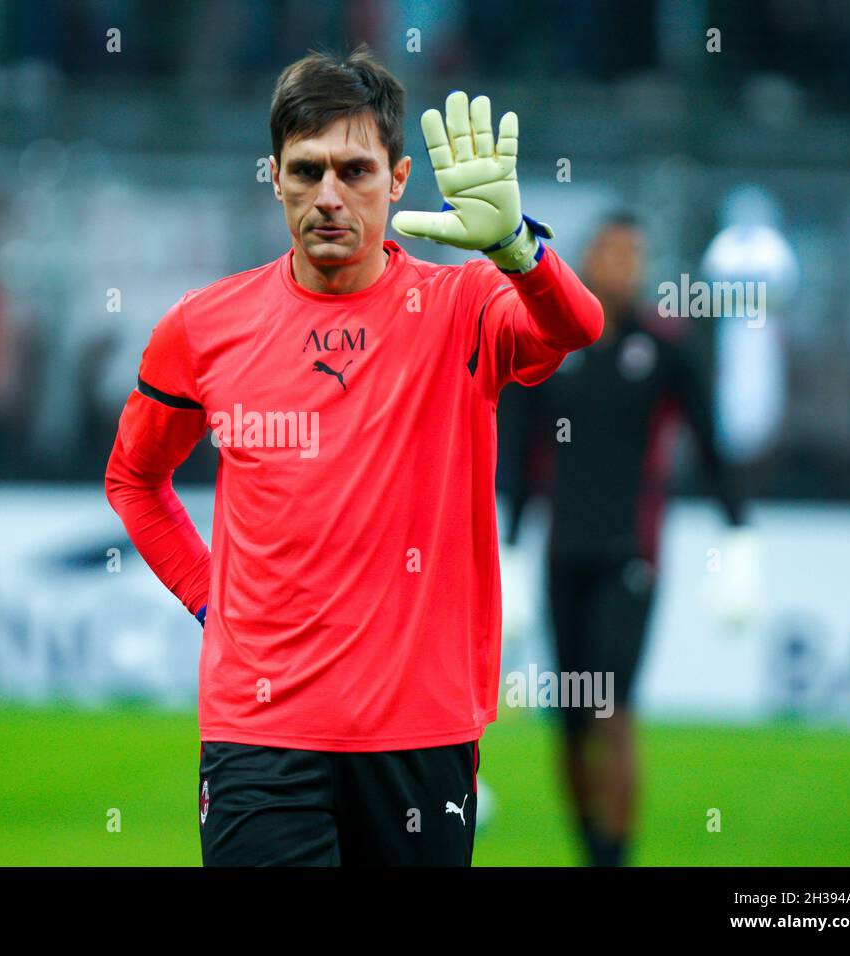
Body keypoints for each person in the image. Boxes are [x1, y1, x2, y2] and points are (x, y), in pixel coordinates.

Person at [105, 43, 602, 866]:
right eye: (305, 172)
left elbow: (575, 327)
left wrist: (517, 246)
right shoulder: (202, 328)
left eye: (355, 170)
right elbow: (134, 478)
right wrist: (210, 600)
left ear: (400, 178)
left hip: (418, 733)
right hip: (258, 734)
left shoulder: (464, 306)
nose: (328, 197)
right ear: (273, 177)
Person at [499, 213, 751, 866]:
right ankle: (591, 851)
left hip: (630, 558)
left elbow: (711, 442)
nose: (623, 265)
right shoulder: (552, 344)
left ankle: (616, 857)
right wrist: (510, 546)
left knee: (612, 707)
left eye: (634, 254)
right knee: (571, 717)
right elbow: (519, 448)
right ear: (586, 257)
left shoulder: (664, 349)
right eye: (611, 252)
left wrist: (740, 538)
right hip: (561, 557)